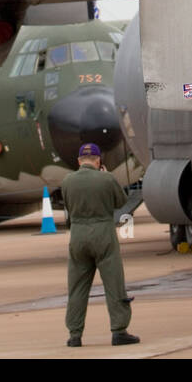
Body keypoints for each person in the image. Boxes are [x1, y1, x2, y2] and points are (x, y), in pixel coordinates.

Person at [61, 142, 137, 348]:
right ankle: (119, 331)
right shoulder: (106, 178)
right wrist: (108, 176)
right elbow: (121, 201)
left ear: (79, 161)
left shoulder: (67, 181)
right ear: (98, 161)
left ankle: (74, 335)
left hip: (77, 234)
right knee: (114, 284)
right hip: (103, 232)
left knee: (77, 287)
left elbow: (67, 205)